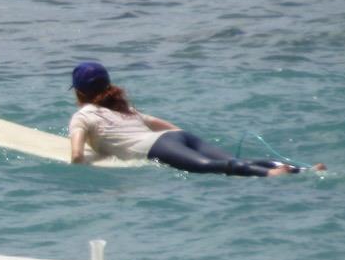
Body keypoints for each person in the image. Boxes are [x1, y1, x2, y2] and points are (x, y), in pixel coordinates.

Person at [67, 61, 323, 177]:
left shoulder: (83, 116)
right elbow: (157, 122)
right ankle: (302, 170)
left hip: (157, 147)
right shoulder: (121, 108)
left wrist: (80, 168)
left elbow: (77, 154)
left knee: (206, 167)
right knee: (233, 160)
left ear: (79, 92)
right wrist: (180, 139)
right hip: (175, 137)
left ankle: (271, 176)